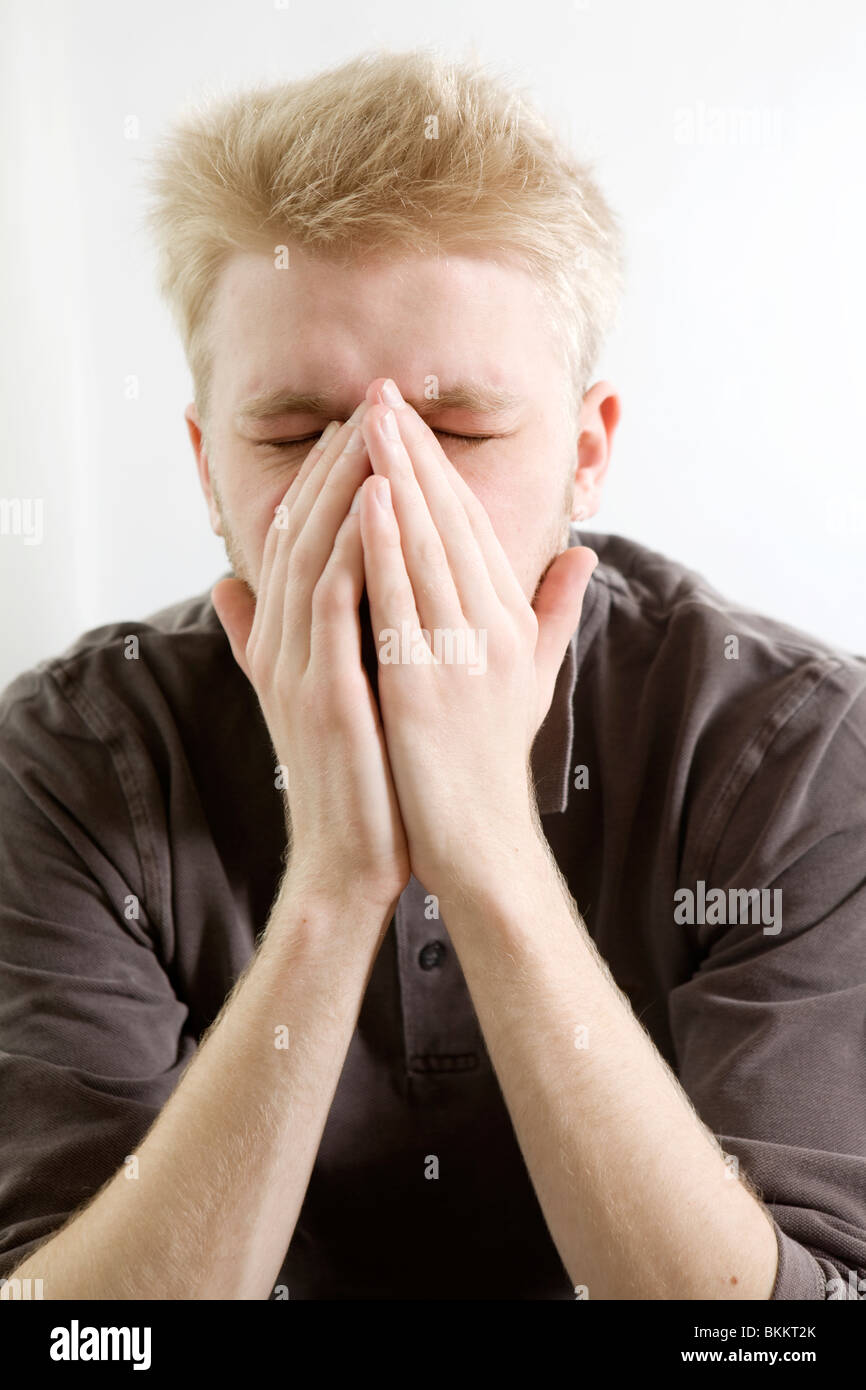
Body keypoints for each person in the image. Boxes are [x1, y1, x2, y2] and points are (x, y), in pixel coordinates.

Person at [1, 48, 863, 1301]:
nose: (375, 498)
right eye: (295, 432)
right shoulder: (68, 762)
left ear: (583, 451)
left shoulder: (793, 749)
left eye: (457, 431)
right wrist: (337, 883)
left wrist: (486, 849)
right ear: (203, 465)